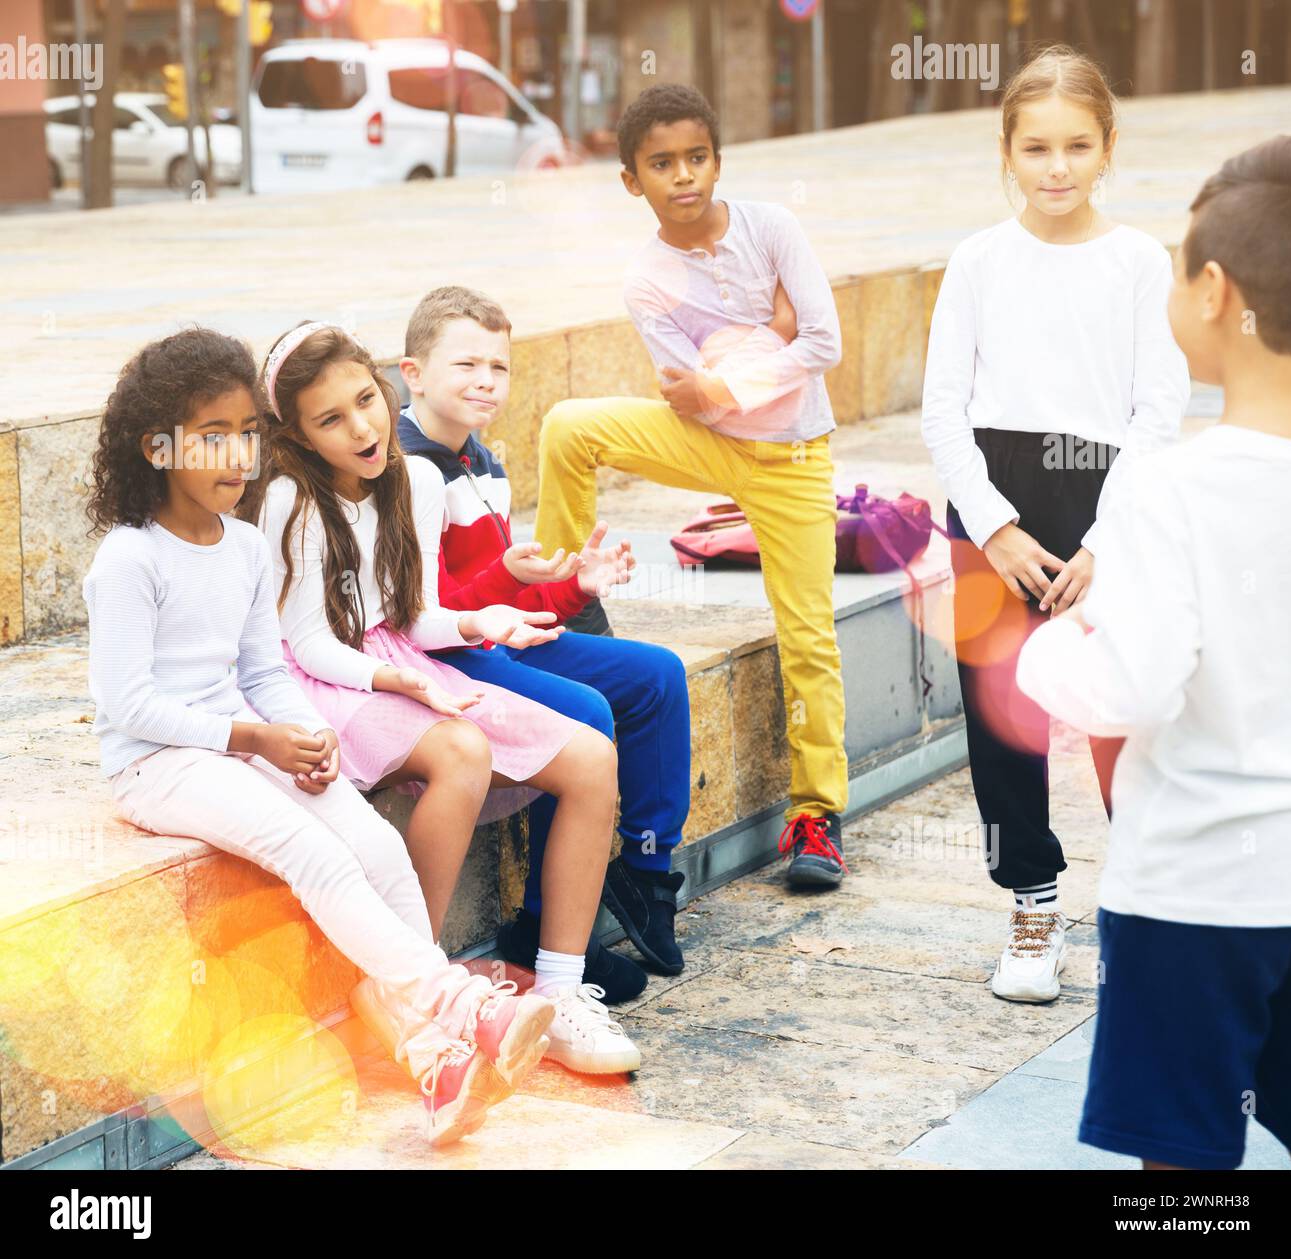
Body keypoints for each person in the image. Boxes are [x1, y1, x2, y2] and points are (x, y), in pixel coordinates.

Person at [82, 327, 552, 1147]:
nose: (238, 456)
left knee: (376, 846)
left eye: (246, 434)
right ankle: (453, 1000)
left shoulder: (245, 546)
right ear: (157, 448)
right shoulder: (130, 559)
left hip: (239, 736)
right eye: (212, 437)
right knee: (318, 854)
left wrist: (300, 732)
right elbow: (128, 704)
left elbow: (265, 670)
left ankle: (434, 1060)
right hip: (156, 762)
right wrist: (253, 738)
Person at [242, 321, 642, 1076]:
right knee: (463, 748)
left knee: (590, 756)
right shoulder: (290, 500)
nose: (362, 427)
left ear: (384, 385)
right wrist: (396, 680)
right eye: (331, 419)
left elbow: (414, 610)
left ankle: (557, 994)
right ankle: (412, 986)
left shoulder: (414, 479)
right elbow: (313, 642)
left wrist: (478, 619)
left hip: (399, 654)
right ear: (295, 434)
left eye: (366, 400)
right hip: (321, 677)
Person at [1017, 134, 1291, 1172]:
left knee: (1181, 1161)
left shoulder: (1169, 488)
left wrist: (1047, 650)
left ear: (1216, 291)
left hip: (1194, 895)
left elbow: (1129, 682)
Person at [920, 45, 1189, 1002]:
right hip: (996, 510)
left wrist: (1102, 548)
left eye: (1078, 145)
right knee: (1006, 719)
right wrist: (993, 525)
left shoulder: (1138, 262)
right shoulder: (979, 261)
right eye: (1037, 147)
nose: (1058, 167)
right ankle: (1032, 900)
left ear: (1108, 148)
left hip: (1104, 513)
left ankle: (1147, 903)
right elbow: (942, 408)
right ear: (1007, 151)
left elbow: (1158, 414)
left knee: (1122, 714)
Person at [534, 83, 851, 889]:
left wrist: (739, 368)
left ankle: (817, 814)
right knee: (571, 424)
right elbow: (694, 391)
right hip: (709, 444)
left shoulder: (771, 227)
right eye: (662, 164)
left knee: (808, 633)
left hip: (792, 459)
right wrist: (765, 339)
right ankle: (564, 593)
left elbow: (824, 340)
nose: (685, 177)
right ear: (632, 180)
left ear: (719, 158)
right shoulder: (648, 278)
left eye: (697, 157)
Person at [397, 284, 694, 991]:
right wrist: (505, 575)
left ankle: (646, 876)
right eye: (465, 365)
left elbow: (508, 593)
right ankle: (544, 927)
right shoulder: (408, 472)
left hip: (500, 638)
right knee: (581, 711)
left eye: (498, 368)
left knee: (658, 675)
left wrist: (571, 588)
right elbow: (428, 615)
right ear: (412, 373)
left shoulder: (484, 463)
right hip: (447, 654)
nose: (485, 382)